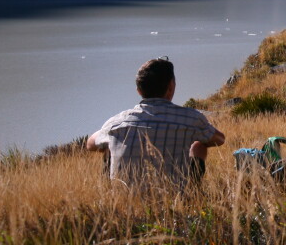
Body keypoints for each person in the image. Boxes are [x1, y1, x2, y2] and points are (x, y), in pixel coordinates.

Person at [86, 58, 225, 188]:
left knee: (108, 148)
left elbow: (90, 144)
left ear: (139, 90)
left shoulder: (116, 123)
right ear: (171, 87)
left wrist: (110, 131)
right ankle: (195, 193)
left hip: (125, 203)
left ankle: (108, 193)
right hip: (175, 199)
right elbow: (219, 139)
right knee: (198, 145)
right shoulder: (191, 119)